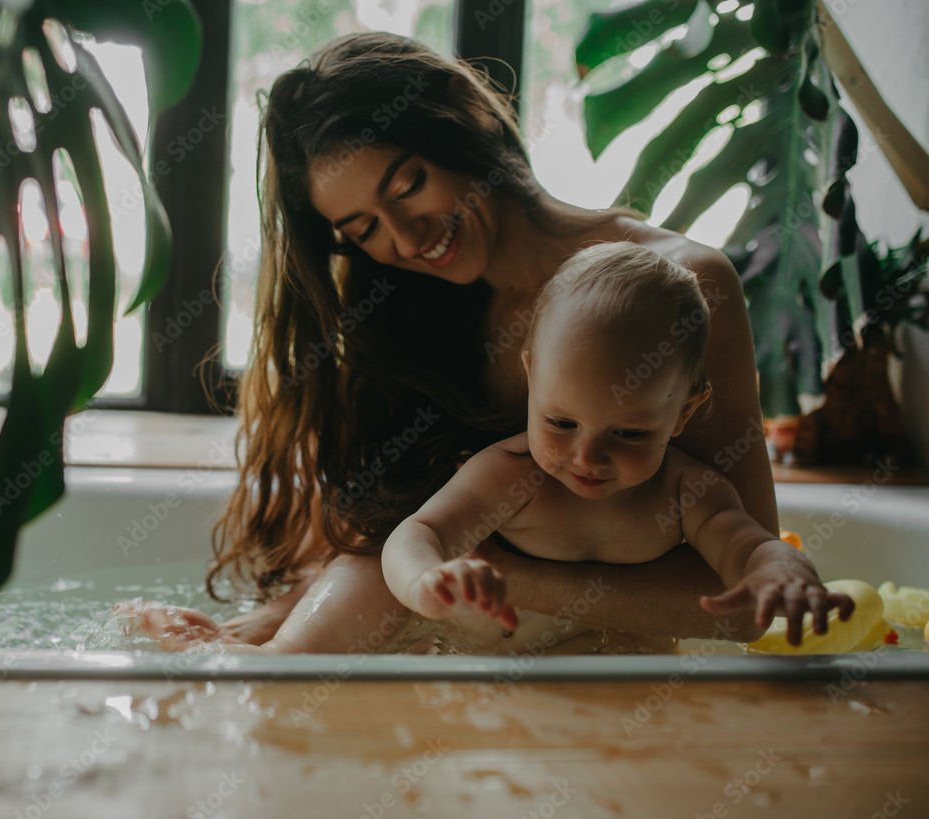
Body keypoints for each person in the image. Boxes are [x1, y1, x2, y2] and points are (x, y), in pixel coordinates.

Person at [117, 31, 786, 653]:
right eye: (364, 228)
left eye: (408, 184)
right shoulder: (409, 312)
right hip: (458, 628)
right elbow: (392, 533)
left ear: (469, 116)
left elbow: (744, 605)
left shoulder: (681, 289)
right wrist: (272, 624)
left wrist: (502, 576)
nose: (408, 239)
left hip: (595, 649)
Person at [381, 242, 854, 645]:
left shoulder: (688, 494)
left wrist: (784, 572)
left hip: (632, 685)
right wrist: (426, 579)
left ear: (682, 414)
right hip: (502, 675)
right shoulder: (512, 475)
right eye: (560, 422)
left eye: (629, 433)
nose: (587, 457)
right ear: (532, 378)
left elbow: (749, 550)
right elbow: (417, 534)